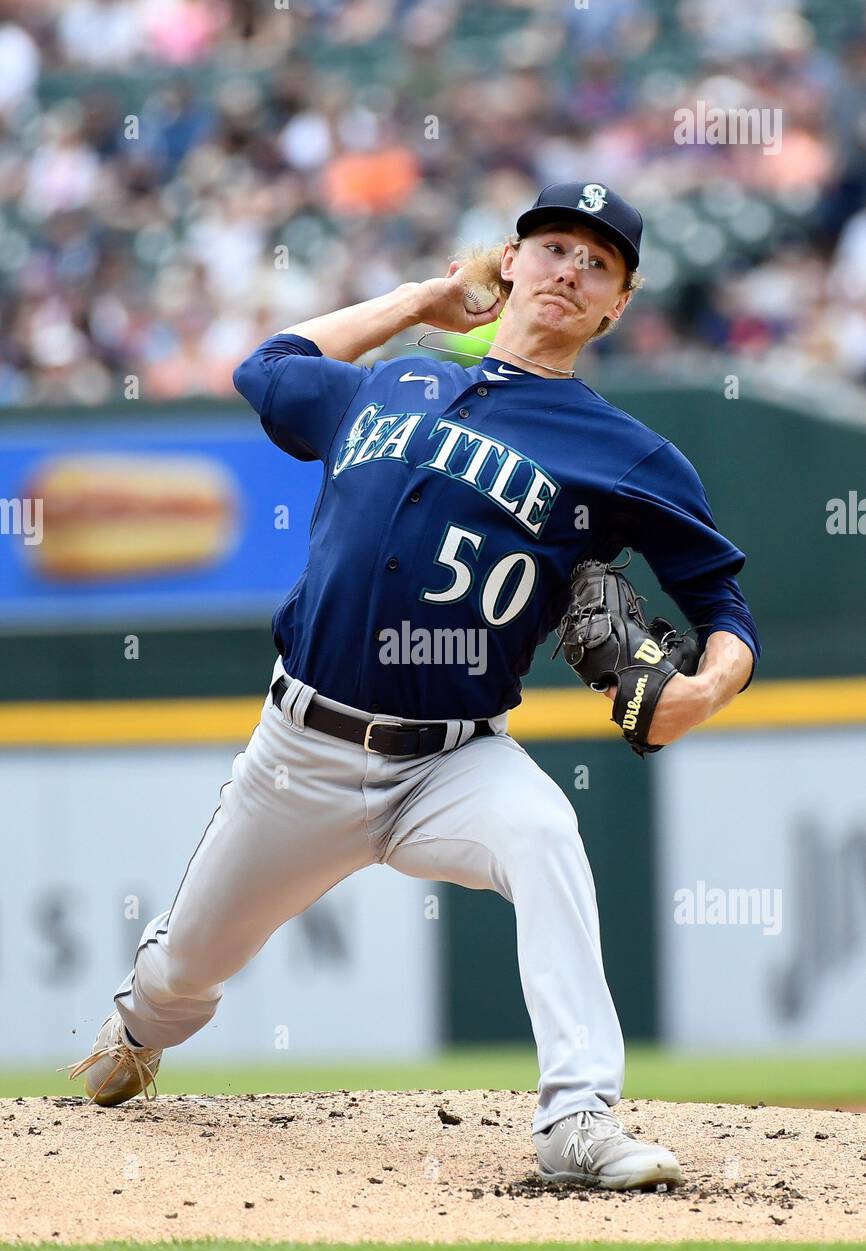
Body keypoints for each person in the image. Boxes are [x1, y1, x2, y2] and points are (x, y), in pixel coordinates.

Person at [69, 182, 760, 1190]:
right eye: (553, 246)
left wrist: (706, 689)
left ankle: (577, 1117)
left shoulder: (624, 453)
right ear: (509, 262)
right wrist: (414, 302)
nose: (569, 269)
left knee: (543, 832)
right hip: (297, 758)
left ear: (615, 305)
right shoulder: (392, 381)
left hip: (452, 762)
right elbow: (268, 369)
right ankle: (138, 1029)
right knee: (177, 981)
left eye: (597, 263)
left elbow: (722, 606)